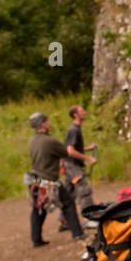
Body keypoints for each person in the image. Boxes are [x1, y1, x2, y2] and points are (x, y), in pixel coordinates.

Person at [27, 111, 83, 247]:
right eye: (46, 121)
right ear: (42, 124)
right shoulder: (49, 141)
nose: (48, 123)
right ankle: (78, 233)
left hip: (35, 180)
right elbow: (65, 152)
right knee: (68, 203)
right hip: (48, 181)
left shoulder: (32, 140)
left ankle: (36, 239)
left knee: (38, 209)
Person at [58, 104, 98, 232]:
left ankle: (65, 221)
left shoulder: (75, 129)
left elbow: (72, 148)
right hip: (72, 165)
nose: (84, 112)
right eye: (81, 111)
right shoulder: (74, 130)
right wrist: (88, 158)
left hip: (68, 164)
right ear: (75, 115)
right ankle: (89, 218)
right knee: (83, 188)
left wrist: (87, 149)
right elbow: (70, 151)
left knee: (68, 194)